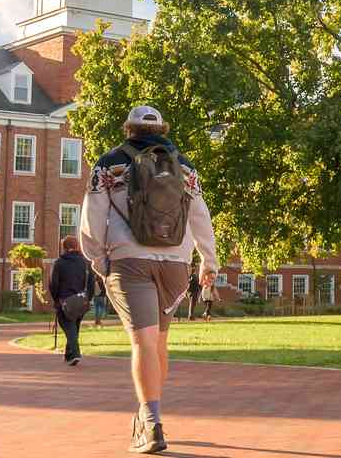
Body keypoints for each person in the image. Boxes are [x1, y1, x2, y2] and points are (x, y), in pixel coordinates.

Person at [82, 105, 220, 455]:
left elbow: (92, 215)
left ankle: (152, 424)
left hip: (130, 262)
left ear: (128, 129)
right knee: (158, 343)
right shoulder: (185, 167)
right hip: (175, 263)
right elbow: (200, 216)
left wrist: (98, 259)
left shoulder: (109, 162)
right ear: (163, 129)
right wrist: (209, 261)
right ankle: (149, 413)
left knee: (142, 343)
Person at [48, 236, 94, 365]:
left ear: (63, 247)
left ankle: (75, 354)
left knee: (69, 327)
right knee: (74, 327)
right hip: (81, 301)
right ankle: (69, 355)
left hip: (64, 301)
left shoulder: (59, 262)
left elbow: (53, 283)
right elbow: (91, 283)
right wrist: (88, 298)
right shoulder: (85, 262)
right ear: (77, 246)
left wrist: (56, 299)